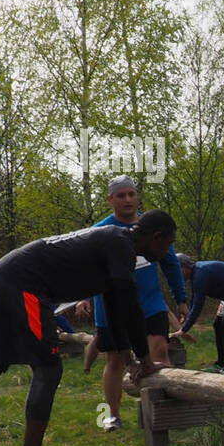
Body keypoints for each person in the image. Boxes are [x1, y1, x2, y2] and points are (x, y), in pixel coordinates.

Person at [0, 211, 176, 446]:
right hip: (24, 284)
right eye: (167, 244)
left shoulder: (114, 243)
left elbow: (116, 310)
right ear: (156, 237)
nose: (166, 252)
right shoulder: (121, 247)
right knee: (47, 368)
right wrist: (147, 361)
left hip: (4, 274)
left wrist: (131, 361)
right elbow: (130, 308)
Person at [80, 175, 187, 431]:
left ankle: (161, 409)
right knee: (115, 360)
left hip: (150, 302)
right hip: (111, 307)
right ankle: (113, 416)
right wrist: (83, 297)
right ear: (110, 200)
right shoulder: (102, 230)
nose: (127, 200)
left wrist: (181, 299)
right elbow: (87, 268)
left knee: (159, 349)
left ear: (137, 196)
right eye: (121, 196)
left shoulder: (154, 227)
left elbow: (171, 264)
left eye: (131, 194)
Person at [176, 254, 224, 373]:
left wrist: (184, 329)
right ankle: (220, 364)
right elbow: (194, 298)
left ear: (184, 267)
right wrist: (187, 317)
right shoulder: (196, 274)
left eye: (177, 271)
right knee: (217, 325)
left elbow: (198, 305)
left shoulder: (200, 275)